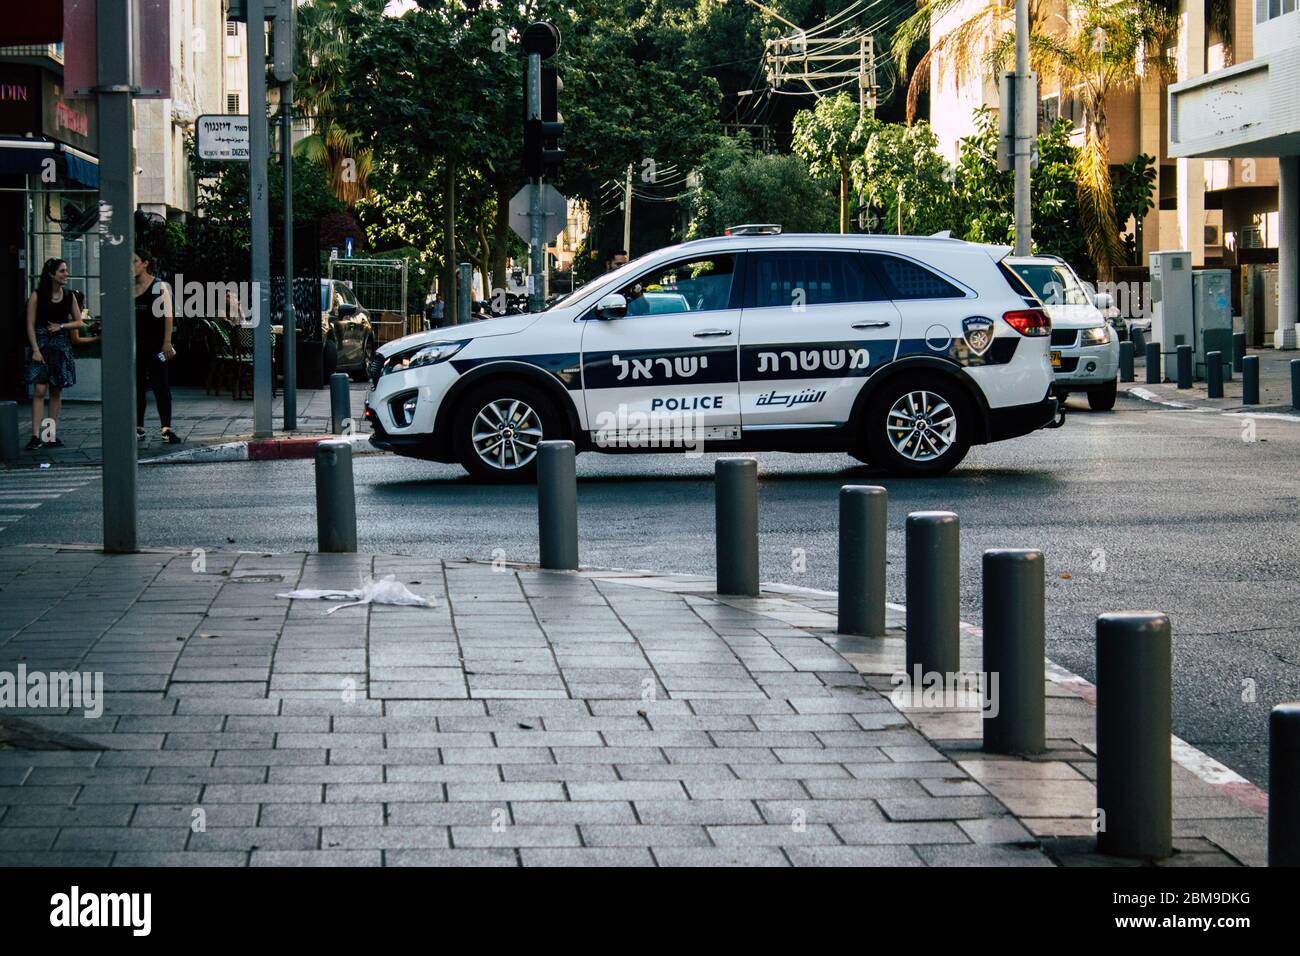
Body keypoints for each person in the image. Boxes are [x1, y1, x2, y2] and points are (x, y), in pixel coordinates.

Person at [24, 258, 84, 450]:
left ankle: (49, 435)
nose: (66, 274)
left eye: (66, 271)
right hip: (41, 346)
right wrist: (34, 349)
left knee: (56, 391)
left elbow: (79, 321)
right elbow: (30, 324)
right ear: (51, 274)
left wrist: (62, 326)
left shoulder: (69, 296)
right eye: (62, 271)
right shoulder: (37, 295)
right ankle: (35, 435)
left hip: (60, 347)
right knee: (40, 390)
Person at [133, 248, 181, 444]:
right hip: (136, 344)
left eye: (134, 261)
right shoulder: (128, 287)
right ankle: (138, 426)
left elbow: (169, 315)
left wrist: (167, 342)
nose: (130, 265)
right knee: (137, 386)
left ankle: (166, 427)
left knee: (160, 384)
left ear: (145, 263)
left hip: (156, 343)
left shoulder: (159, 286)